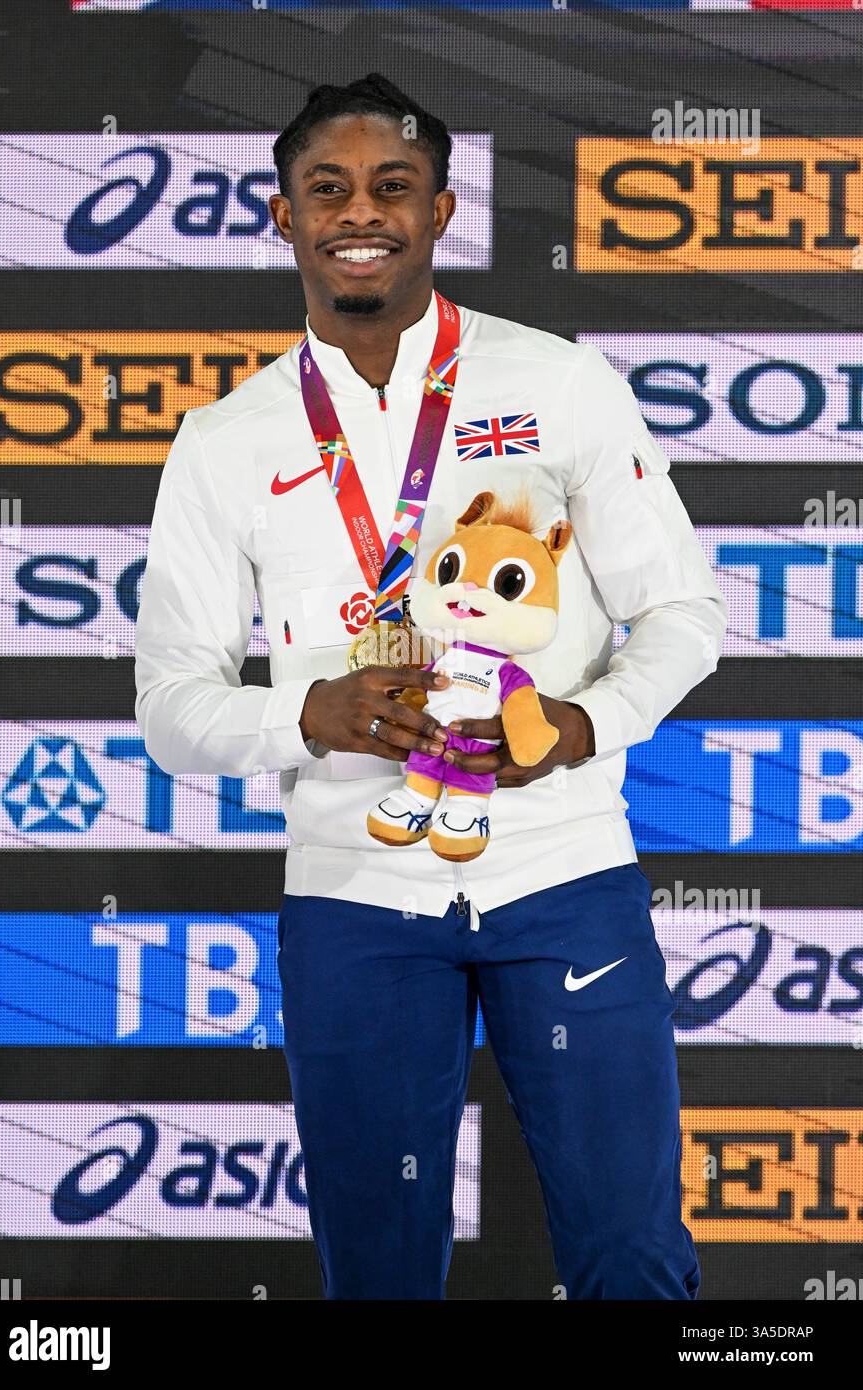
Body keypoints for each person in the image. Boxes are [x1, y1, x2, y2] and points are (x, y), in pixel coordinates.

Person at [134, 73, 727, 1300]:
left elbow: (682, 612)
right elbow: (171, 705)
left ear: (442, 208)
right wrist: (306, 714)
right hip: (355, 903)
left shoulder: (555, 382)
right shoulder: (225, 437)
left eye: (391, 187)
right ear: (282, 215)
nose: (362, 213)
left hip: (564, 879)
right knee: (382, 1276)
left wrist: (579, 725)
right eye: (328, 189)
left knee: (629, 1255)